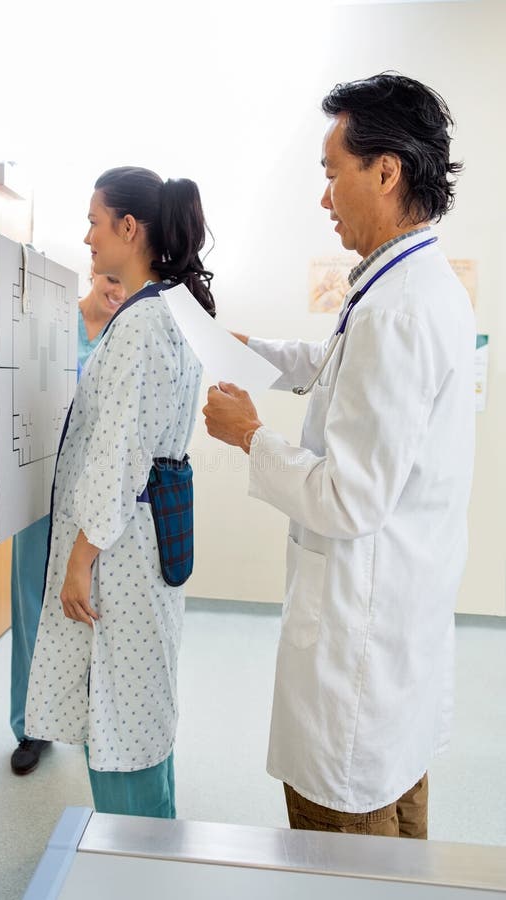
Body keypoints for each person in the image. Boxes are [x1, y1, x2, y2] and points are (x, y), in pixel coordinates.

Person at [203, 73, 475, 838]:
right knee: (400, 820)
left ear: (385, 171)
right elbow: (333, 365)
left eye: (332, 174)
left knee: (347, 847)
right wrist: (247, 350)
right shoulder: (412, 288)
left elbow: (348, 499)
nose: (324, 198)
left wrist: (250, 435)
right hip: (395, 641)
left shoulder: (399, 310)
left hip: (359, 652)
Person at [25, 166, 214, 817]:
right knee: (144, 706)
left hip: (122, 551)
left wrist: (79, 561)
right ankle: (153, 853)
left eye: (93, 221)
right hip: (150, 540)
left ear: (128, 228)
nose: (87, 237)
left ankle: (137, 863)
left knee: (120, 717)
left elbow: (118, 459)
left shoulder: (135, 327)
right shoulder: (172, 311)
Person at [10, 267, 127, 775]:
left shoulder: (127, 334)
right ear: (94, 271)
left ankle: (86, 723)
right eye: (109, 279)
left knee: (91, 611)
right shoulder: (53, 327)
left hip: (96, 500)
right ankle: (30, 728)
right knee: (32, 609)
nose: (116, 291)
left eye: (125, 284)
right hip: (41, 493)